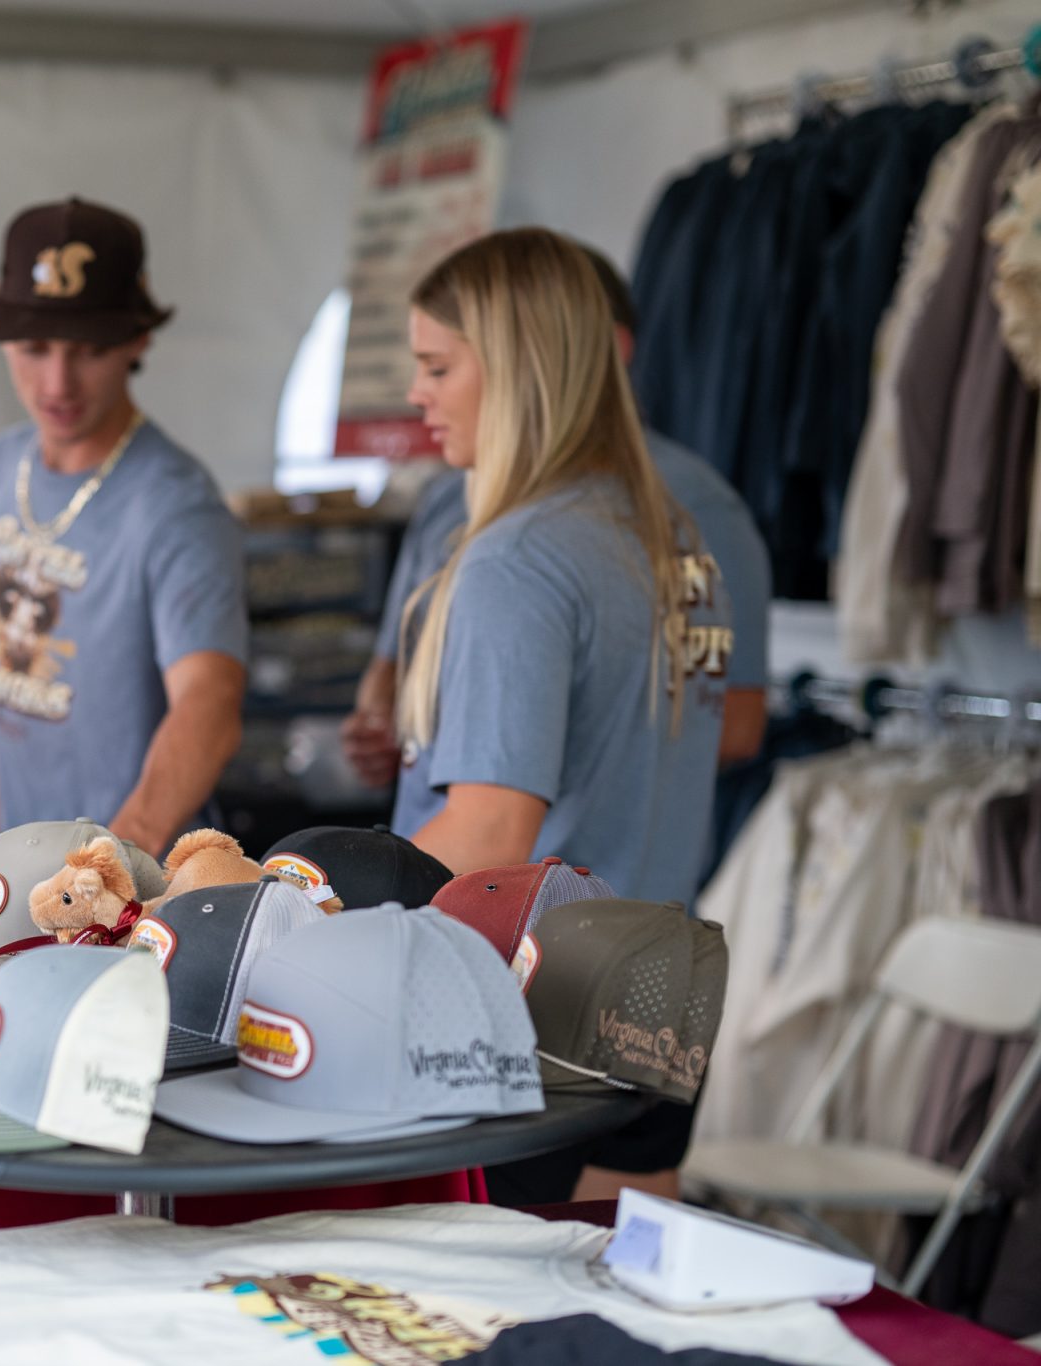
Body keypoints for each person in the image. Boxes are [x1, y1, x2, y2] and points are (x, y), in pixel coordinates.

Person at [361, 231, 735, 1210]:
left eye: (438, 365)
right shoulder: (673, 536)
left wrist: (312, 918)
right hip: (659, 994)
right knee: (614, 1280)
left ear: (519, 368)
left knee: (475, 1291)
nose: (416, 393)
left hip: (518, 1011)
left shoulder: (519, 559)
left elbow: (488, 835)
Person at [345, 242, 770, 794]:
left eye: (439, 367)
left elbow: (726, 719)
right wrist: (393, 727)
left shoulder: (687, 510)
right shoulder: (451, 496)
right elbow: (392, 667)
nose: (416, 393)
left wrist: (506, 741)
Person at [0, 197, 247, 857]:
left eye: (89, 350)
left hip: (133, 886)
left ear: (137, 339)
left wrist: (111, 870)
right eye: (34, 348)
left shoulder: (175, 503)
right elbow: (8, 700)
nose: (57, 382)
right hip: (22, 872)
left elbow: (209, 706)